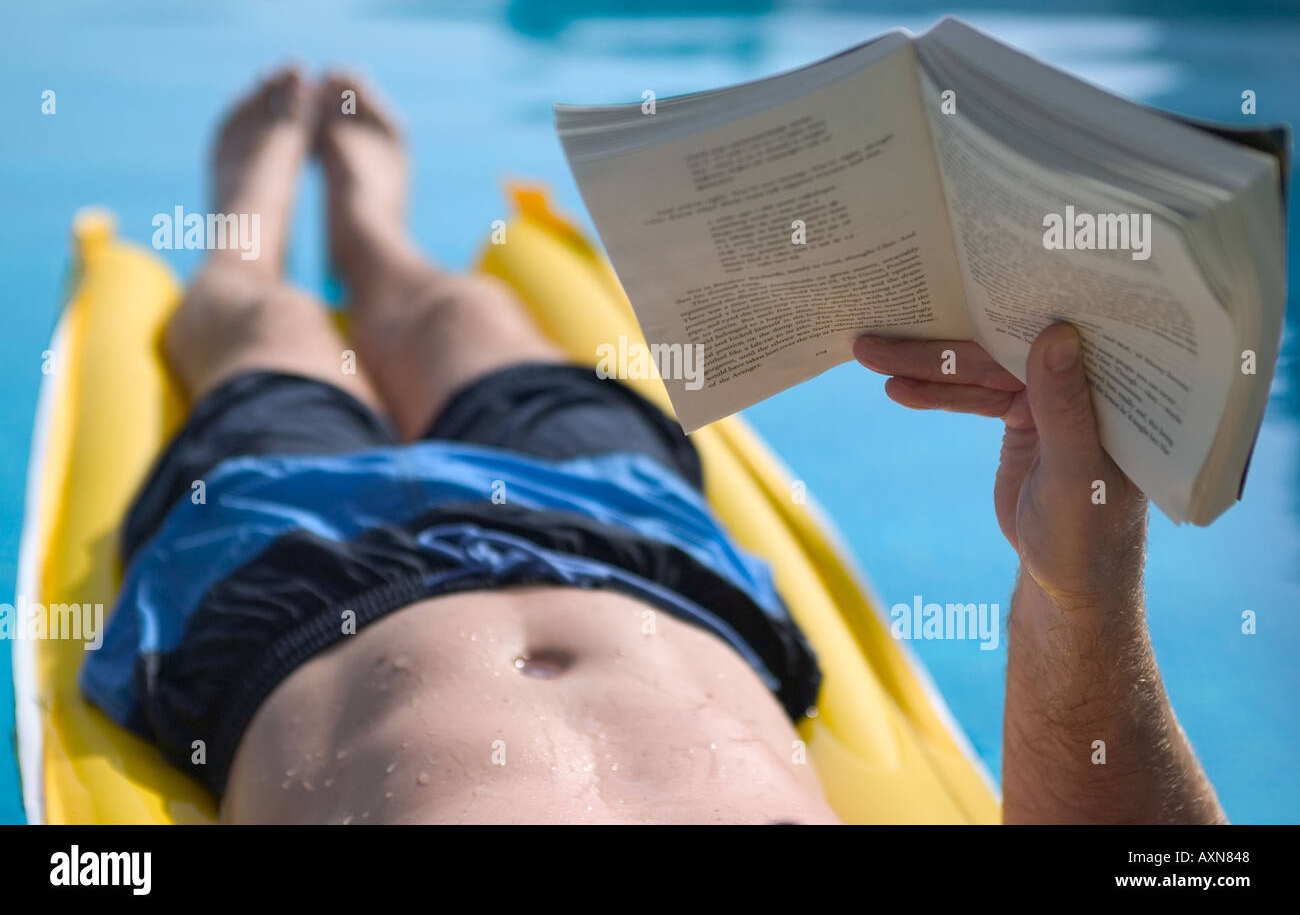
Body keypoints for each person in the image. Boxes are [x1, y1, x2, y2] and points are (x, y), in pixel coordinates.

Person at [82, 67, 1225, 824]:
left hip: (291, 593)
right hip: (640, 549)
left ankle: (256, 220)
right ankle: (372, 229)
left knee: (262, 329)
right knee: (457, 322)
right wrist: (1079, 588)